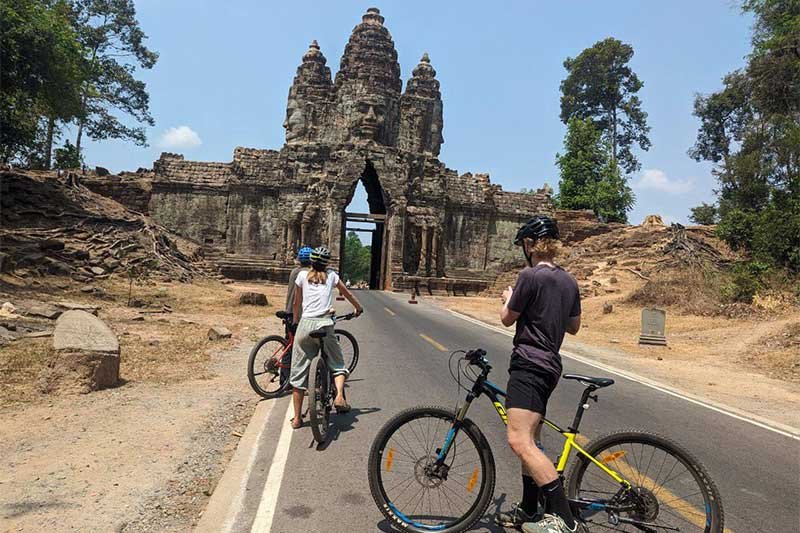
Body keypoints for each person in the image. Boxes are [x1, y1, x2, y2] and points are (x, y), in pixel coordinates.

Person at [495, 215, 585, 533]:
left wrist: (508, 299)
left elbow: (507, 318)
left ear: (530, 244)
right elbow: (573, 327)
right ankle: (530, 508)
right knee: (532, 439)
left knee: (519, 440)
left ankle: (562, 519)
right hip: (550, 366)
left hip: (529, 364)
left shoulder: (529, 276)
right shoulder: (569, 281)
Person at [289, 246, 364, 429]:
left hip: (306, 324)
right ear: (327, 263)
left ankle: (297, 419)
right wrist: (358, 308)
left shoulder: (302, 275)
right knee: (338, 364)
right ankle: (339, 396)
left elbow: (296, 302)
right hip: (325, 324)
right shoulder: (331, 276)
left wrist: (296, 322)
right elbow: (347, 293)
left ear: (311, 262)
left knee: (298, 373)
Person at [280, 246, 313, 386]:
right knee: (306, 345)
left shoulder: (294, 271)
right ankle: (303, 378)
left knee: (288, 346)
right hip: (299, 315)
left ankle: (284, 381)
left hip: (288, 312)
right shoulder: (309, 274)